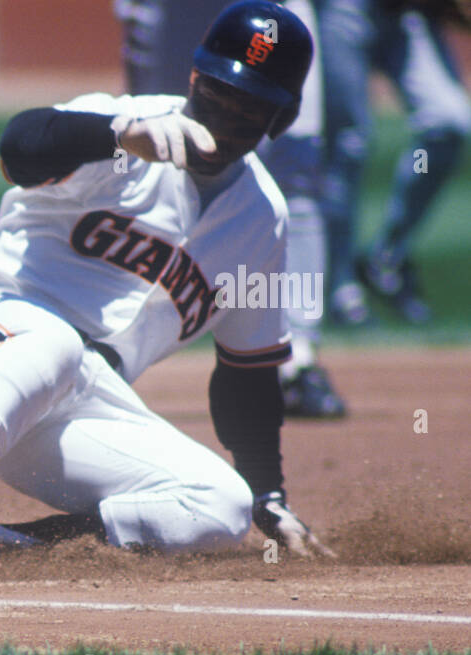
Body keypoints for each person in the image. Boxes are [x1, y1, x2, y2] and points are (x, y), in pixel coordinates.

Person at [0, 0, 335, 589]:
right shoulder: (128, 128)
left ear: (279, 119)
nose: (225, 115)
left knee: (218, 506)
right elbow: (20, 146)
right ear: (192, 78)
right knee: (55, 342)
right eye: (217, 93)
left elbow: (247, 370)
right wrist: (117, 135)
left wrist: (269, 493)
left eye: (248, 107)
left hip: (78, 411)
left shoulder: (262, 220)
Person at [116, 0, 347, 417]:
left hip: (281, 9)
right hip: (178, 13)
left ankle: (296, 358)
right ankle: (107, 353)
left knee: (297, 170)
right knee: (160, 142)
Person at [315, 0, 471, 326]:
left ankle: (386, 257)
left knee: (446, 123)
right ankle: (342, 291)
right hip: (343, 10)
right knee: (350, 145)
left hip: (406, 14)